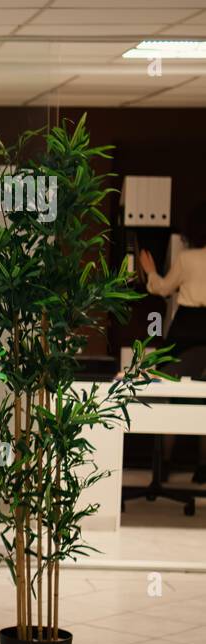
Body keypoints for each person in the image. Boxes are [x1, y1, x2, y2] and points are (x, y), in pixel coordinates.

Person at [139, 201, 206, 483]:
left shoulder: (187, 258)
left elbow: (163, 288)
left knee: (171, 396)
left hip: (188, 330)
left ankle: (162, 465)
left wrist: (150, 270)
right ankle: (203, 468)